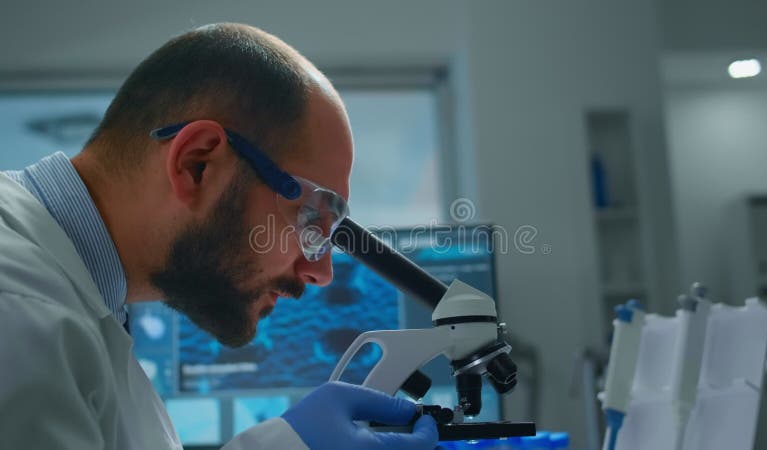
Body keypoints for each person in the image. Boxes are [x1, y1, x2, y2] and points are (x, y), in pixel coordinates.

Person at [0, 23, 439, 450]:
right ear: (198, 165)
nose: (321, 271)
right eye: (310, 219)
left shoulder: (87, 305)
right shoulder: (22, 314)